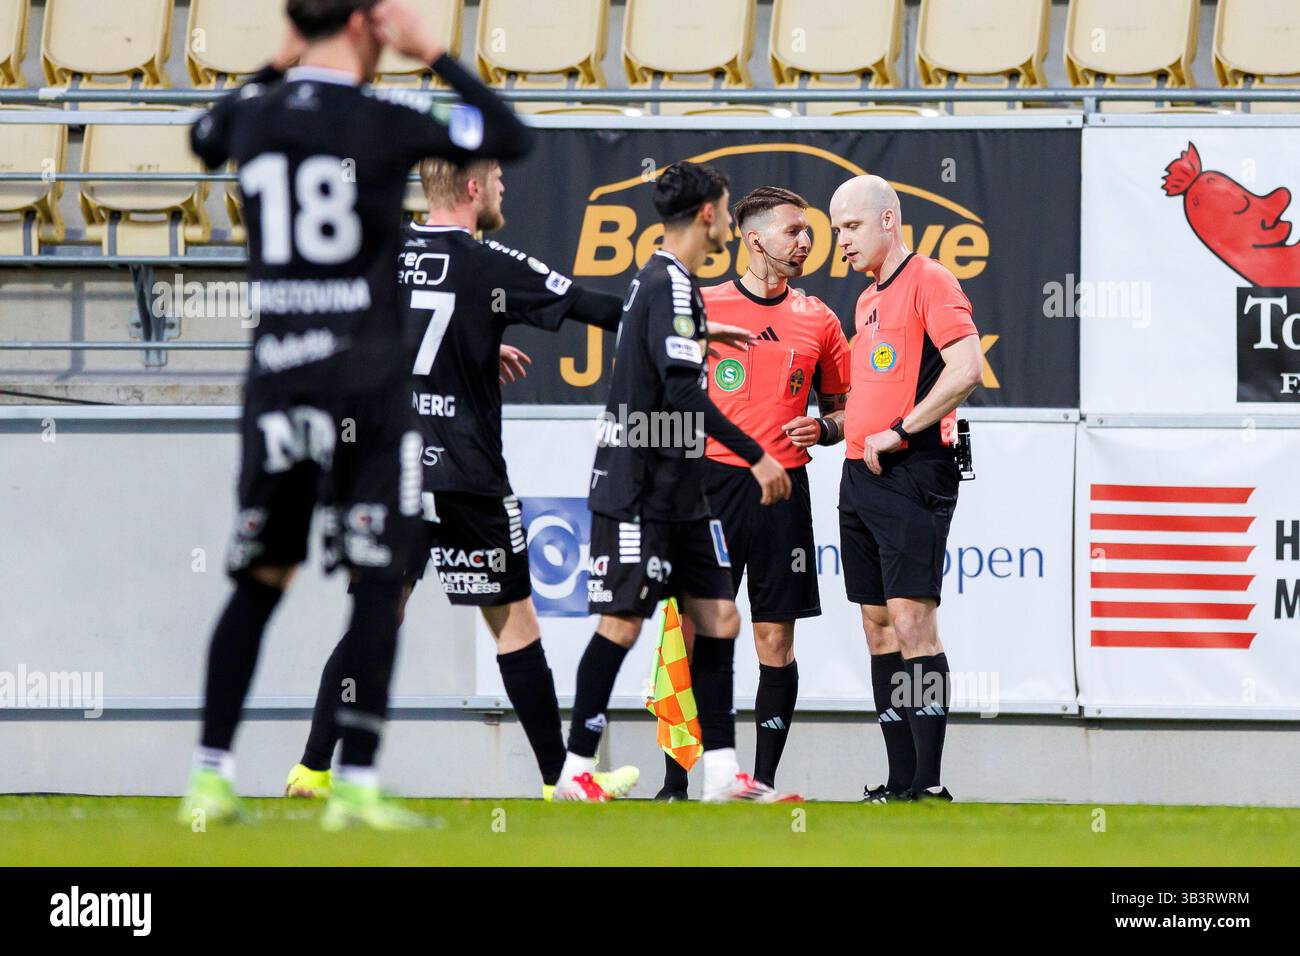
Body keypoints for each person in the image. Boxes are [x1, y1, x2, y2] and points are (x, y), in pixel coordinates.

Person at [179, 0, 530, 830]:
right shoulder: (384, 118)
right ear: (371, 30)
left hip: (279, 381)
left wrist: (278, 61)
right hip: (367, 387)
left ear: (300, 29)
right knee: (379, 583)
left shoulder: (254, 117)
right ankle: (359, 786)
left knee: (258, 579)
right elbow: (509, 137)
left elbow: (200, 133)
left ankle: (210, 775)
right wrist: (434, 52)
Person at [283, 156, 639, 802]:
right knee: (512, 622)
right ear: (473, 189)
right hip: (463, 472)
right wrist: (683, 324)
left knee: (375, 616)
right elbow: (592, 306)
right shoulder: (490, 263)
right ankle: (561, 779)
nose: (504, 189)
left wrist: (468, 348)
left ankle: (311, 769)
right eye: (498, 180)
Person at [554, 161, 799, 803]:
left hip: (680, 490)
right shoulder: (669, 284)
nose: (725, 218)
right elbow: (684, 390)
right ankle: (575, 767)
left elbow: (651, 340)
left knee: (719, 617)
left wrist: (702, 328)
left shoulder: (669, 282)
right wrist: (757, 455)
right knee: (621, 625)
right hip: (637, 487)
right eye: (722, 207)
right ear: (709, 215)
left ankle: (720, 773)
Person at [656, 186, 851, 800]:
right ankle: (674, 785)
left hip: (783, 491)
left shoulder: (819, 317)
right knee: (692, 631)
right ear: (754, 237)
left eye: (809, 233)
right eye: (793, 231)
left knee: (775, 637)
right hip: (709, 488)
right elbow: (664, 395)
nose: (805, 243)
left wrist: (823, 428)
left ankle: (760, 783)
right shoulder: (704, 305)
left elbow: (846, 412)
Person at [828, 175, 982, 803]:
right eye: (836, 229)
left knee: (913, 624)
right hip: (859, 475)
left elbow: (966, 368)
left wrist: (899, 431)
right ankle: (898, 782)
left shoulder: (931, 280)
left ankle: (929, 782)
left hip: (915, 470)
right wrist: (833, 427)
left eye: (851, 227)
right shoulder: (867, 300)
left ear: (888, 220)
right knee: (876, 627)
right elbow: (870, 393)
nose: (841, 241)